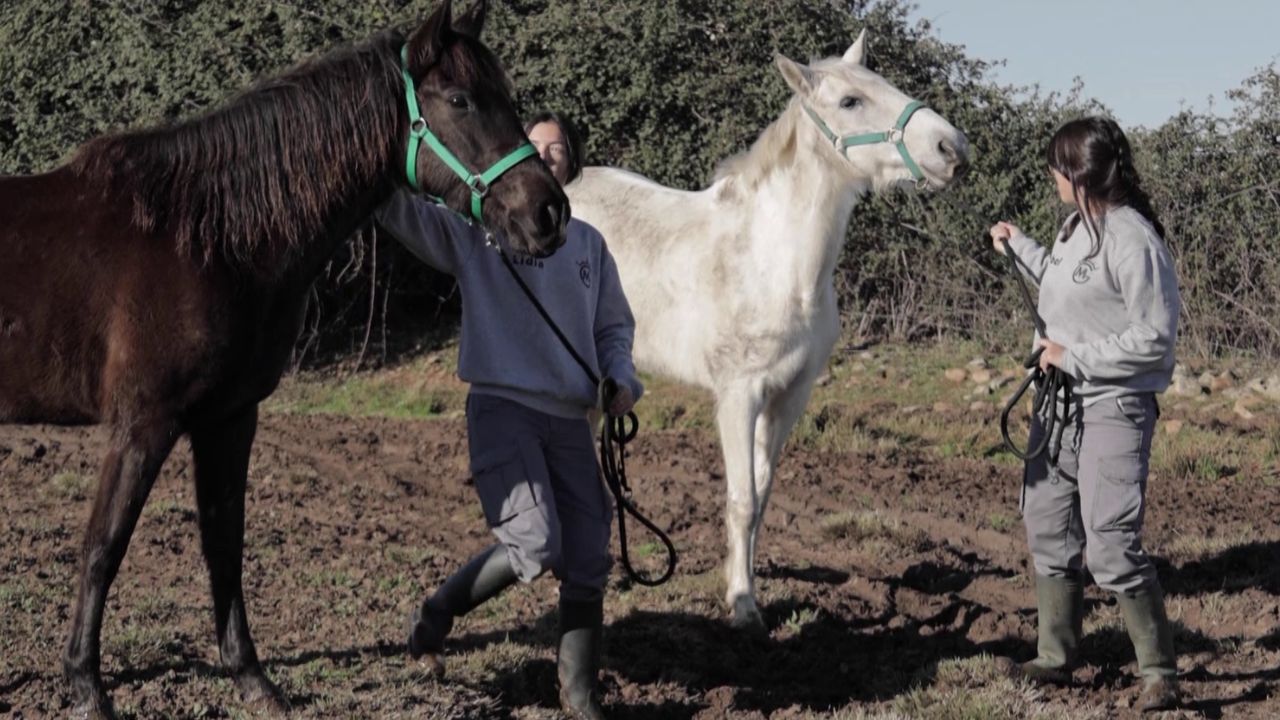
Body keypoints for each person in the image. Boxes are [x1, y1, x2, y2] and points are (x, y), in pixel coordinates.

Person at [376, 111, 641, 720]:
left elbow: (613, 328)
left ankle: (579, 696)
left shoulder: (590, 246)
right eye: (533, 146)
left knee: (588, 557)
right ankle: (436, 613)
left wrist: (620, 378)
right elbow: (411, 216)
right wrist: (376, 173)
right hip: (503, 408)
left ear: (572, 165)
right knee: (533, 541)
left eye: (557, 150)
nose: (545, 157)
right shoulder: (481, 234)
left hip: (570, 418)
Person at [988, 116, 1181, 712]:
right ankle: (1054, 655)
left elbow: (1156, 338)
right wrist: (1017, 245)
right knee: (1047, 526)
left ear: (1078, 174)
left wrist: (1074, 357)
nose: (1051, 175)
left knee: (1110, 545)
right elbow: (1060, 282)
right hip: (1059, 405)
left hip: (1112, 406)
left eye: (1056, 166)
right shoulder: (1078, 227)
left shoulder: (1132, 239)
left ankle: (1158, 670)